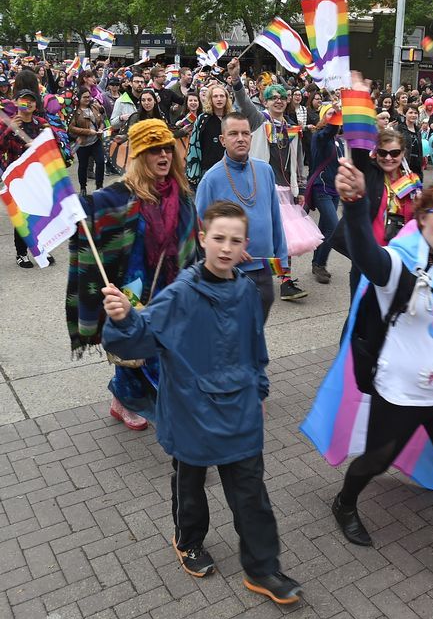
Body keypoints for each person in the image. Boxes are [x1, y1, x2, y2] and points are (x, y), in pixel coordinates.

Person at [100, 200, 302, 606]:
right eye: (219, 238)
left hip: (239, 412)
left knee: (250, 494)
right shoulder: (179, 296)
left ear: (245, 245)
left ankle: (262, 569)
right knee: (190, 484)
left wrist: (258, 386)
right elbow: (139, 340)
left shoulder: (246, 290)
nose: (226, 247)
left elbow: (255, 348)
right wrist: (123, 319)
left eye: (235, 240)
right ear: (203, 239)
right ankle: (188, 540)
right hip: (192, 411)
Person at [329, 161, 433, 619]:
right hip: (399, 392)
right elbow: (366, 252)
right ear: (423, 217)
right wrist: (356, 205)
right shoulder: (400, 263)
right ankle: (344, 502)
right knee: (378, 460)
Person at [66, 119, 199, 431]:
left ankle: (136, 399)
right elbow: (87, 211)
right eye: (154, 150)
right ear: (139, 156)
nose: (163, 155)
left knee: (168, 348)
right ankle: (125, 399)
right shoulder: (120, 194)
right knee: (134, 349)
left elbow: (192, 241)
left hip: (172, 285)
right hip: (134, 288)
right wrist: (72, 206)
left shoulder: (180, 193)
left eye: (166, 148)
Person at [195, 112, 288, 322]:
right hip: (229, 274)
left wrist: (282, 262)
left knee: (255, 335)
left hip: (264, 270)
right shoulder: (211, 179)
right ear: (223, 140)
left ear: (251, 138)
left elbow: (275, 218)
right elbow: (199, 231)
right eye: (234, 133)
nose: (240, 138)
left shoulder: (265, 170)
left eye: (245, 133)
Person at [227, 58, 307, 301]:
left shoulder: (293, 130)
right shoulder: (258, 121)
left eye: (282, 96)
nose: (278, 100)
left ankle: (284, 281)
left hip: (284, 189)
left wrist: (300, 188)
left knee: (286, 237)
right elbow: (242, 102)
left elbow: (298, 161)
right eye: (273, 97)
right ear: (265, 101)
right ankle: (241, 275)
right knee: (255, 233)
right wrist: (236, 79)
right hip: (260, 186)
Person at [332, 127, 419, 294]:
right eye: (382, 152)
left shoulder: (411, 179)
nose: (388, 158)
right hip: (369, 258)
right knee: (361, 314)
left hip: (401, 260)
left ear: (403, 153)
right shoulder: (368, 172)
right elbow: (358, 151)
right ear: (375, 152)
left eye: (394, 153)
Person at [0, 89, 52, 267]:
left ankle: (42, 247)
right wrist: (9, 129)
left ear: (36, 105)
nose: (27, 104)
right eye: (23, 101)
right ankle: (21, 253)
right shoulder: (6, 123)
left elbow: (53, 145)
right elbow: (1, 147)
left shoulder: (42, 123)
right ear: (16, 103)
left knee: (42, 214)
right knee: (22, 216)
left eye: (31, 101)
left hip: (40, 177)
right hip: (18, 180)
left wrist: (37, 145)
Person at [307, 102, 343, 284]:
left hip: (335, 189)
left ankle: (317, 263)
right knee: (334, 228)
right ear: (322, 117)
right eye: (328, 114)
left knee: (325, 228)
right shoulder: (319, 136)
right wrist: (337, 113)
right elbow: (329, 130)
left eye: (334, 114)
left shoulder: (339, 141)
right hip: (321, 189)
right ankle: (320, 263)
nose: (332, 116)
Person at [186, 84, 232, 187]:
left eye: (222, 96)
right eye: (215, 96)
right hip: (208, 169)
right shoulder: (203, 119)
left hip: (230, 168)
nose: (219, 99)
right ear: (210, 99)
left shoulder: (232, 118)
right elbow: (194, 144)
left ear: (226, 98)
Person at [69, 88, 107, 195]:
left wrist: (100, 128)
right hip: (82, 144)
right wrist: (87, 131)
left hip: (96, 141)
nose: (87, 99)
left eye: (88, 96)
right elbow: (71, 128)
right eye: (84, 97)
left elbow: (101, 120)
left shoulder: (95, 107)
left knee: (100, 162)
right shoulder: (75, 112)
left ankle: (99, 186)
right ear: (79, 98)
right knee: (83, 166)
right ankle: (82, 188)